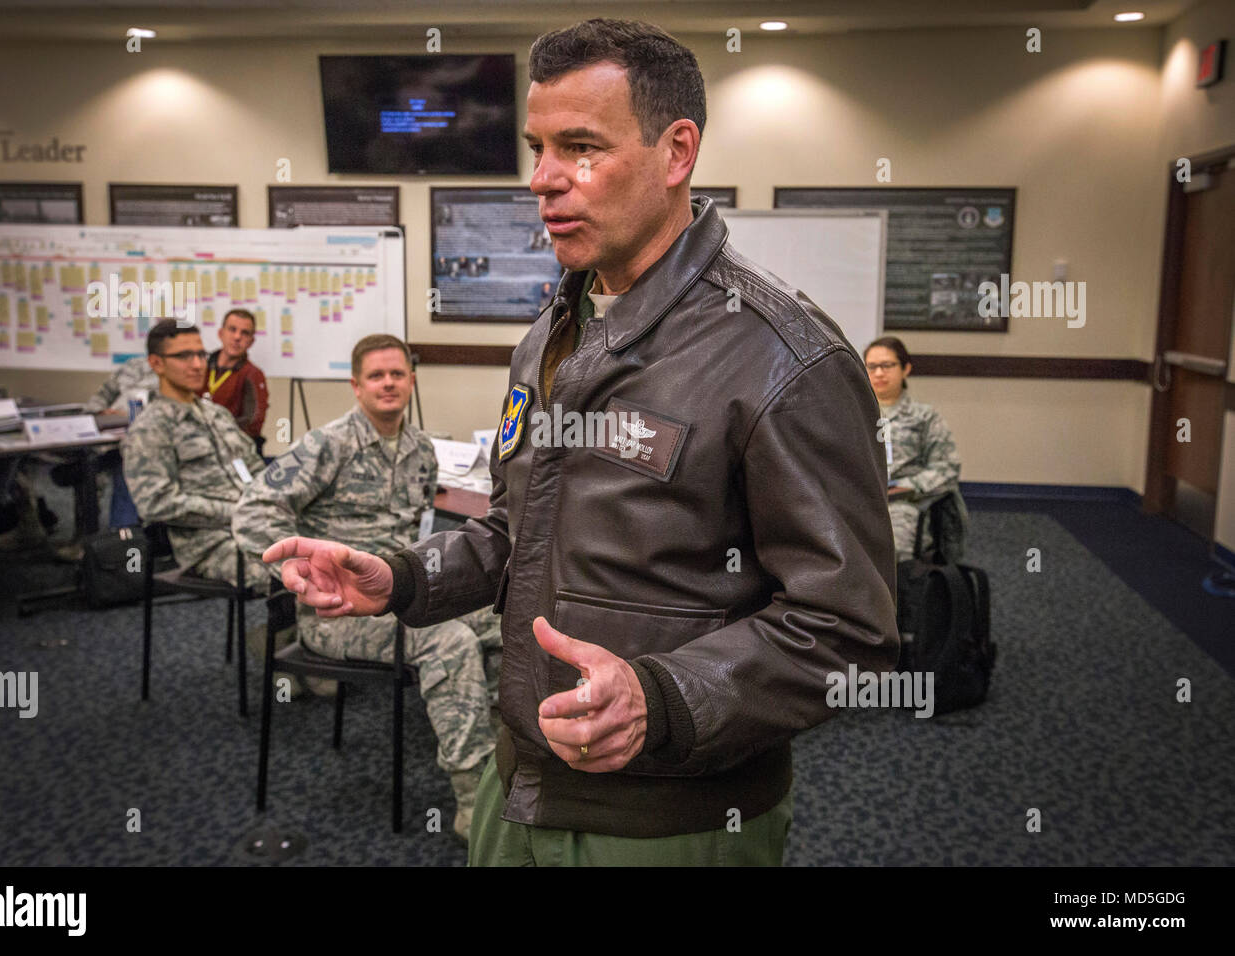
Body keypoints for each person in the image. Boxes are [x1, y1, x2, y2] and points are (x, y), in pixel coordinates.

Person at [264, 18, 898, 866]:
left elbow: (847, 627)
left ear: (678, 153)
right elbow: (516, 534)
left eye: (581, 148)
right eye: (537, 148)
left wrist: (660, 697)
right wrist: (405, 577)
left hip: (673, 822)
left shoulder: (783, 355)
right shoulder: (553, 334)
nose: (543, 180)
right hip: (520, 780)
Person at [232, 333, 501, 842]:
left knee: (506, 617)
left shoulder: (422, 448)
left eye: (397, 374)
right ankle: (472, 800)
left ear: (411, 381)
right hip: (338, 615)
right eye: (376, 376)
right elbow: (252, 511)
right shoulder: (327, 444)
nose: (388, 384)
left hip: (399, 591)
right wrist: (297, 570)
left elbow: (418, 532)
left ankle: (502, 772)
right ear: (356, 386)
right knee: (449, 642)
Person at [121, 319, 268, 588]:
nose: (198, 364)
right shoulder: (151, 428)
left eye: (200, 354)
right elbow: (156, 503)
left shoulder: (217, 415)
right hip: (213, 545)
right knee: (302, 572)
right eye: (184, 356)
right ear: (157, 364)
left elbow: (255, 470)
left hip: (258, 527)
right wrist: (237, 511)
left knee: (339, 549)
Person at [864, 335, 968, 562]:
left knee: (890, 552)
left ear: (905, 368)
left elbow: (947, 468)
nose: (879, 373)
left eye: (887, 365)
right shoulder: (854, 415)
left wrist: (905, 487)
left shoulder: (924, 417)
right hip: (858, 498)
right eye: (871, 366)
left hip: (903, 503)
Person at [81, 354, 160, 528]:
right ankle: (86, 538)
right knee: (84, 471)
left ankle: (123, 538)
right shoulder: (132, 366)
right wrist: (100, 412)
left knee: (127, 468)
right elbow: (101, 396)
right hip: (108, 436)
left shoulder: (179, 371)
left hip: (145, 441)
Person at [200, 308, 269, 456]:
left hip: (234, 449)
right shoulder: (200, 368)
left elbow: (253, 423)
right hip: (197, 443)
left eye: (245, 333)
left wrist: (217, 432)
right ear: (221, 333)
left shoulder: (253, 375)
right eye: (232, 329)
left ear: (251, 341)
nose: (237, 337)